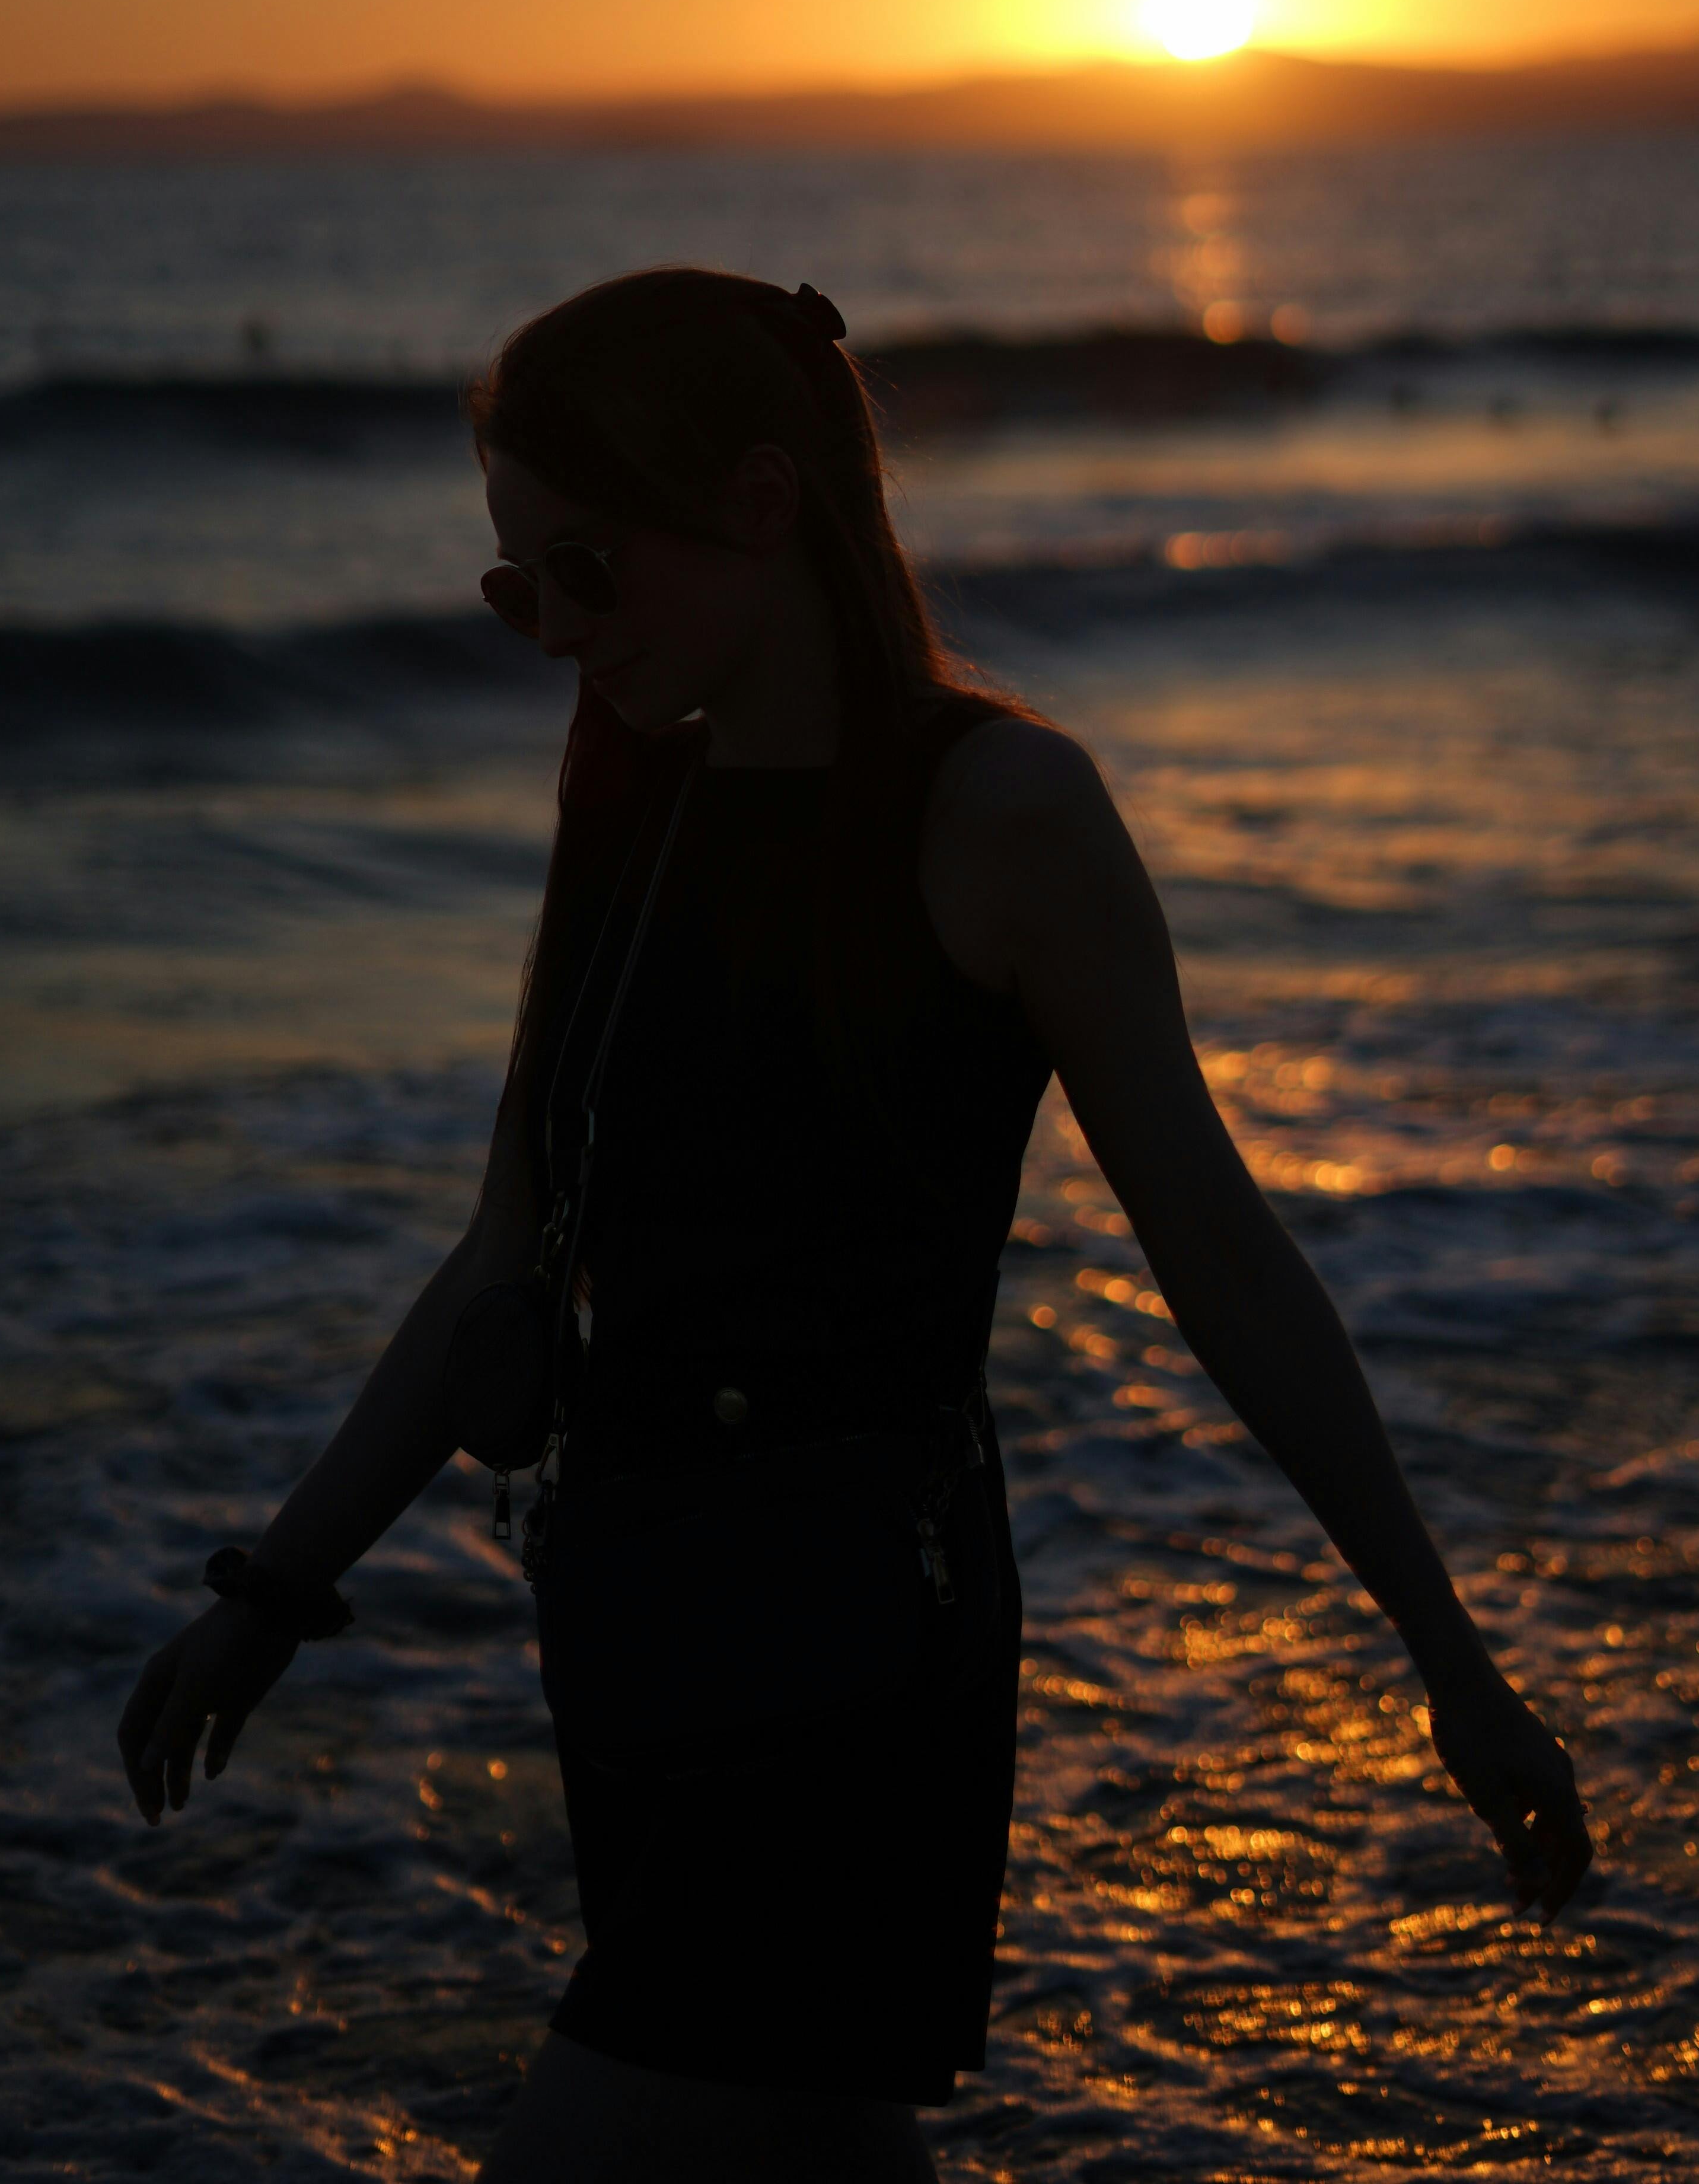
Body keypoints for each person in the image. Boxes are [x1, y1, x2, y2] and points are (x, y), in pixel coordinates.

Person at [119, 267, 1590, 2180]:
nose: (556, 637)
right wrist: (275, 1595)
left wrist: (1446, 1656)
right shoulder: (629, 786)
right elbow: (509, 1245)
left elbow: (1222, 1255)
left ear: (757, 502)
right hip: (634, 1630)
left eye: (586, 573)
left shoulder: (1000, 812)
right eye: (515, 590)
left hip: (845, 1666)